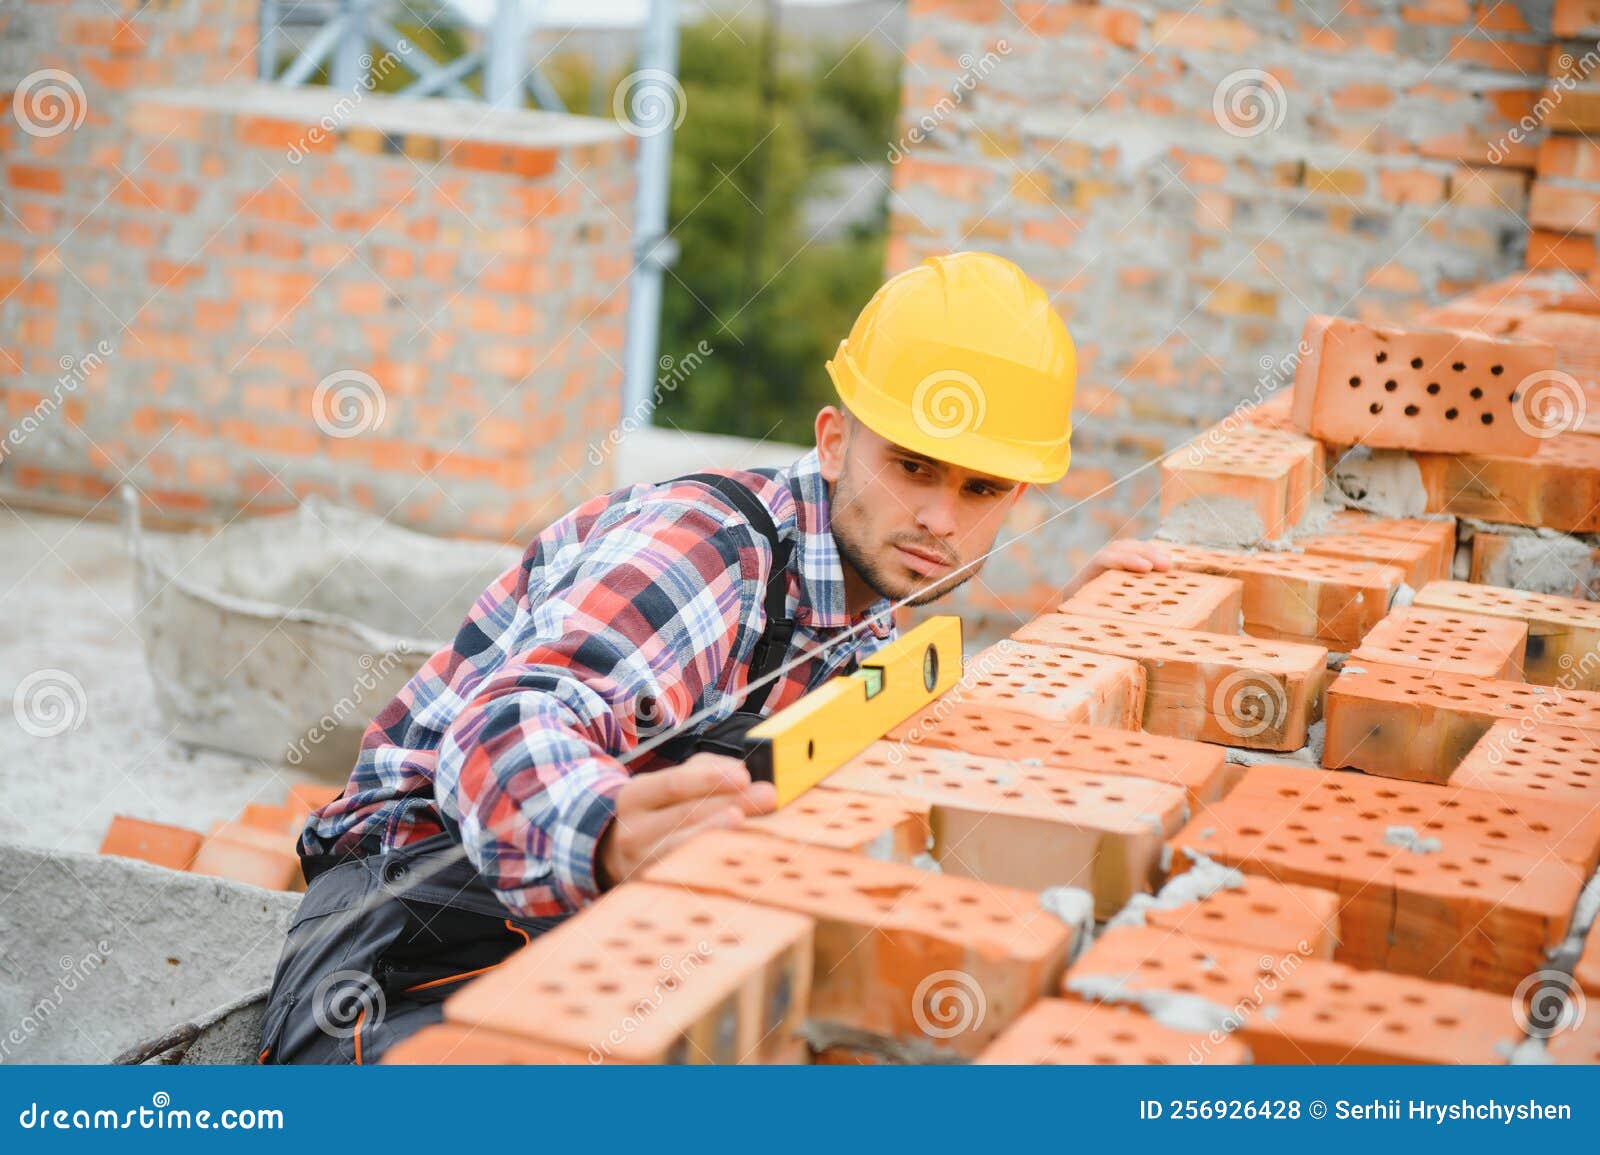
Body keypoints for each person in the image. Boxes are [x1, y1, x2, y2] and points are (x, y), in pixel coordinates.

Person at [256, 251, 1170, 1063]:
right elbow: (506, 718)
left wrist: (1070, 641)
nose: (941, 518)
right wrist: (608, 831)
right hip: (400, 954)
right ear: (834, 438)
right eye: (915, 466)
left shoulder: (865, 608)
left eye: (983, 487)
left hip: (593, 952)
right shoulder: (708, 550)